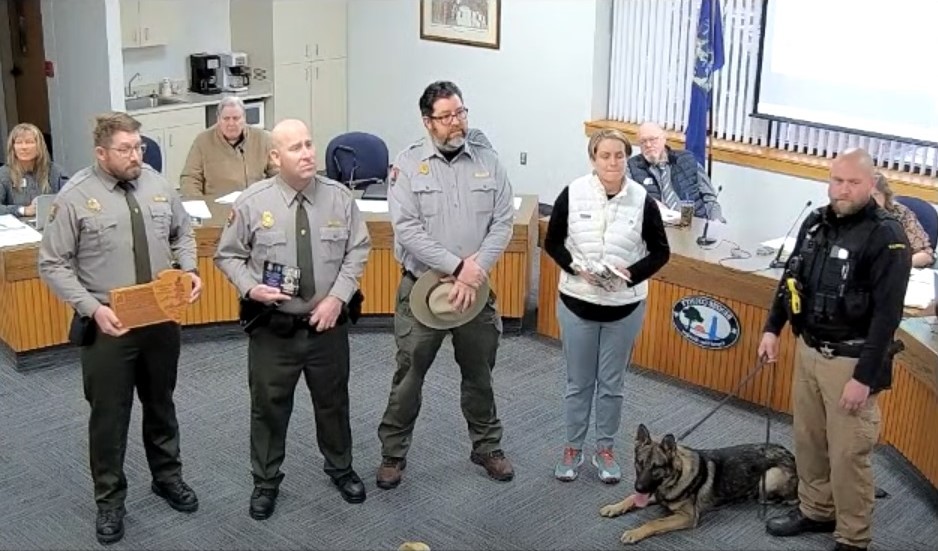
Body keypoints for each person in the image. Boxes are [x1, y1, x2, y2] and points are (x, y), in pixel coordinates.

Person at [37, 112, 202, 545]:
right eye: (125, 149)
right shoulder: (75, 197)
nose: (136, 156)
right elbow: (52, 264)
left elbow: (183, 232)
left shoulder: (157, 184)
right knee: (109, 417)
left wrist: (189, 269)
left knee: (161, 403)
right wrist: (91, 309)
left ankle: (167, 477)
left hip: (160, 318)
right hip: (110, 324)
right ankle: (110, 500)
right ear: (101, 153)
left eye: (139, 147)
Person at [214, 119, 371, 519]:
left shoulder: (339, 199)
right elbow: (227, 255)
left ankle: (341, 468)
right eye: (295, 147)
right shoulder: (252, 202)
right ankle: (266, 481)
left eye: (309, 144)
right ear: (275, 156)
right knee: (268, 407)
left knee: (333, 403)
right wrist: (250, 288)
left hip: (326, 326)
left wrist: (337, 298)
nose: (307, 154)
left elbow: (358, 250)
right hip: (274, 329)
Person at [759, 148, 911, 551]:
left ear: (871, 184)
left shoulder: (887, 236)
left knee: (847, 454)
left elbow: (888, 316)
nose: (843, 189)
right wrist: (772, 328)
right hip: (808, 349)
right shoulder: (816, 223)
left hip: (851, 361)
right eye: (837, 180)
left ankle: (853, 537)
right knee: (809, 441)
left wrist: (864, 378)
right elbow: (790, 278)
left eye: (853, 182)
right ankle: (817, 510)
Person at [375, 80, 516, 489]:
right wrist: (457, 266)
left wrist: (475, 270)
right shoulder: (407, 164)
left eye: (461, 112)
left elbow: (503, 222)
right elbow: (407, 230)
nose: (457, 122)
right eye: (447, 116)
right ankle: (393, 454)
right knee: (408, 377)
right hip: (423, 290)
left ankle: (487, 446)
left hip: (474, 292)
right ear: (428, 122)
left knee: (480, 373)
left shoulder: (488, 159)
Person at [544, 129, 670, 483]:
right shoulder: (573, 193)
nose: (612, 162)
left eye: (619, 156)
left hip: (624, 309)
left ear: (626, 159)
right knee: (579, 384)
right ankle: (573, 448)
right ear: (593, 159)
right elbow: (552, 242)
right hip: (577, 304)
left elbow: (661, 252)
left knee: (612, 386)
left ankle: (605, 449)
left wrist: (631, 274)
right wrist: (575, 267)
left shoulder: (643, 200)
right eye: (605, 156)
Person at [179, 96, 275, 196]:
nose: (231, 123)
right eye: (226, 119)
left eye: (236, 118)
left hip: (255, 200)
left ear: (244, 118)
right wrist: (198, 202)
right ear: (218, 120)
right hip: (215, 202)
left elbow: (277, 175)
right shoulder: (203, 141)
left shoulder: (263, 138)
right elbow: (190, 178)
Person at [628, 122, 724, 221]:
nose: (648, 145)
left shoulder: (687, 159)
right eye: (643, 141)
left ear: (664, 139)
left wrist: (717, 222)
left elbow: (709, 199)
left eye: (652, 139)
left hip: (693, 222)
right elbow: (629, 201)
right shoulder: (632, 167)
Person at [0, 122, 68, 216]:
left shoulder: (55, 171)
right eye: (19, 142)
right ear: (13, 147)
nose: (24, 147)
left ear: (39, 146)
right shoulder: (4, 173)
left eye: (29, 142)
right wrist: (23, 210)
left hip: (48, 222)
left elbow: (72, 199)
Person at [872, 173, 935, 268]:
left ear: (885, 195)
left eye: (875, 195)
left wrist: (900, 266)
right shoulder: (852, 213)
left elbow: (926, 255)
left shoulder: (900, 213)